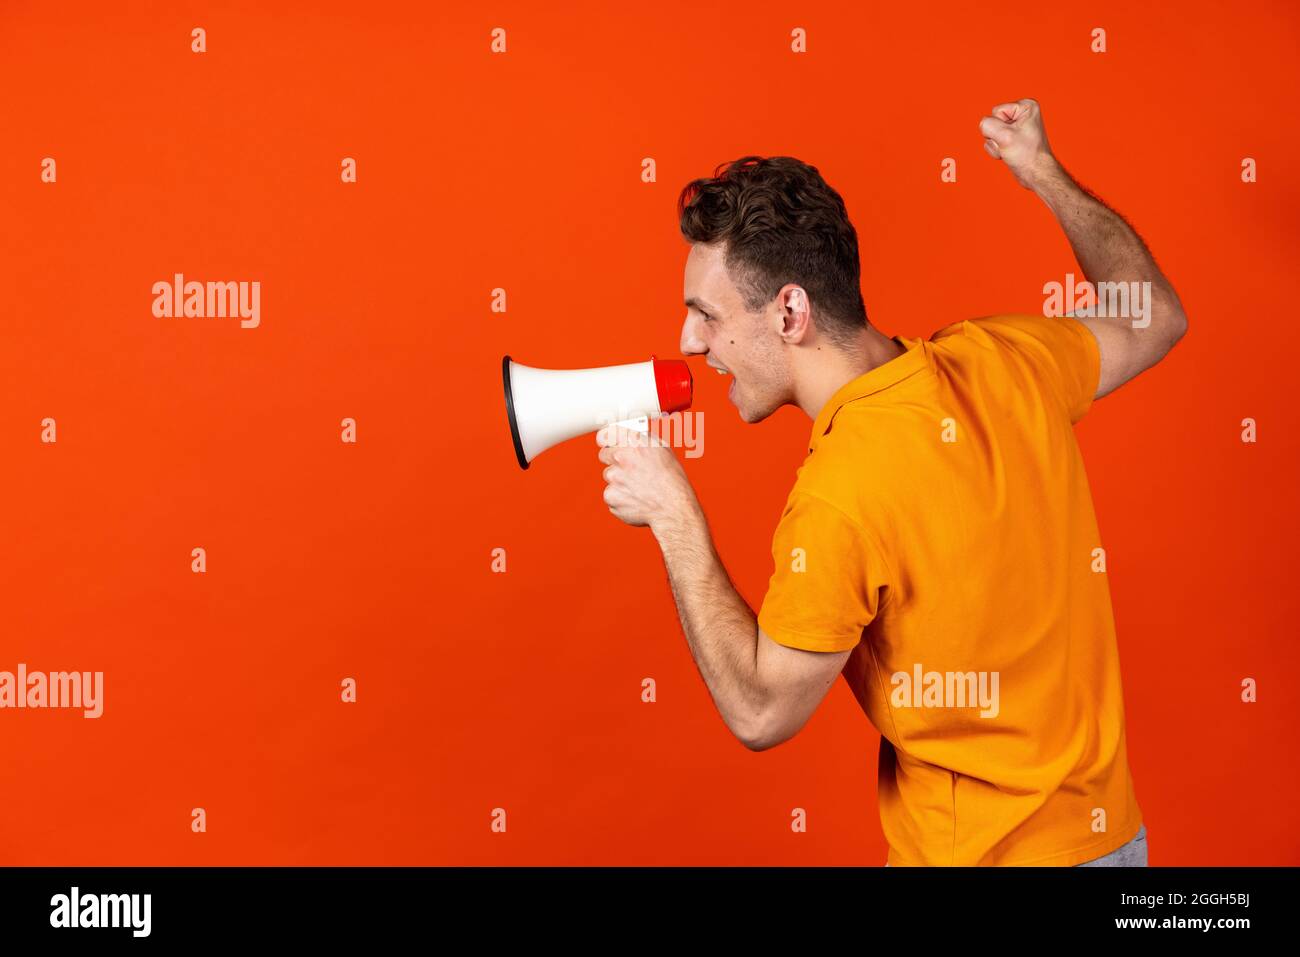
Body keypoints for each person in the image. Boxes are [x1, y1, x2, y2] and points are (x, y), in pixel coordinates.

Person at [595, 98, 1186, 866]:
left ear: (790, 312)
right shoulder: (1001, 359)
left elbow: (759, 709)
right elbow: (1156, 317)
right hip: (1114, 845)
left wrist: (674, 517)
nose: (689, 339)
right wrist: (1043, 172)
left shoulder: (839, 497)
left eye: (705, 314)